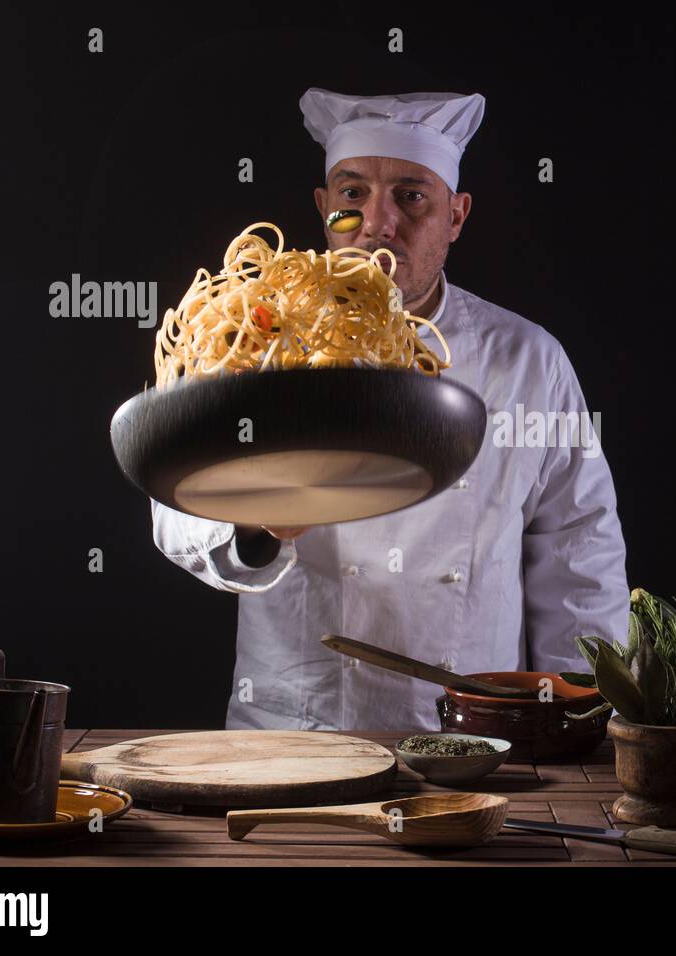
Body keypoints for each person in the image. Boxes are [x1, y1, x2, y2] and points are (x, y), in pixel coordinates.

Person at [150, 89, 630, 730]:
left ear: (455, 215)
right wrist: (255, 526)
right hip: (292, 733)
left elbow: (580, 553)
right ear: (324, 208)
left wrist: (577, 719)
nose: (378, 222)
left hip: (475, 739)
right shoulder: (252, 335)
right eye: (352, 196)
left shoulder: (527, 361)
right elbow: (172, 508)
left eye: (411, 196)